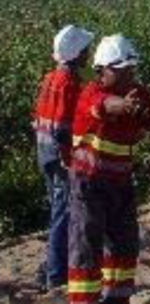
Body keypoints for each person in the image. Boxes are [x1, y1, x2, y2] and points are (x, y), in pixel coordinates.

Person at [67, 34, 150, 304]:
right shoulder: (91, 93)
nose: (128, 76)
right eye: (122, 70)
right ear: (102, 70)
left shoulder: (137, 92)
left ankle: (117, 298)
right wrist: (124, 106)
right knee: (86, 247)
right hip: (88, 184)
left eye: (131, 69)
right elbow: (103, 105)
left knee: (124, 246)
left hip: (121, 183)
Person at [33, 24, 95, 293]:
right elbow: (61, 128)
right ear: (76, 53)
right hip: (59, 155)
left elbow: (40, 118)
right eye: (86, 50)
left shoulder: (51, 78)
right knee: (64, 212)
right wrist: (71, 159)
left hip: (44, 150)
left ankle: (51, 268)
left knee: (58, 209)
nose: (89, 54)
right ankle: (56, 275)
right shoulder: (69, 83)